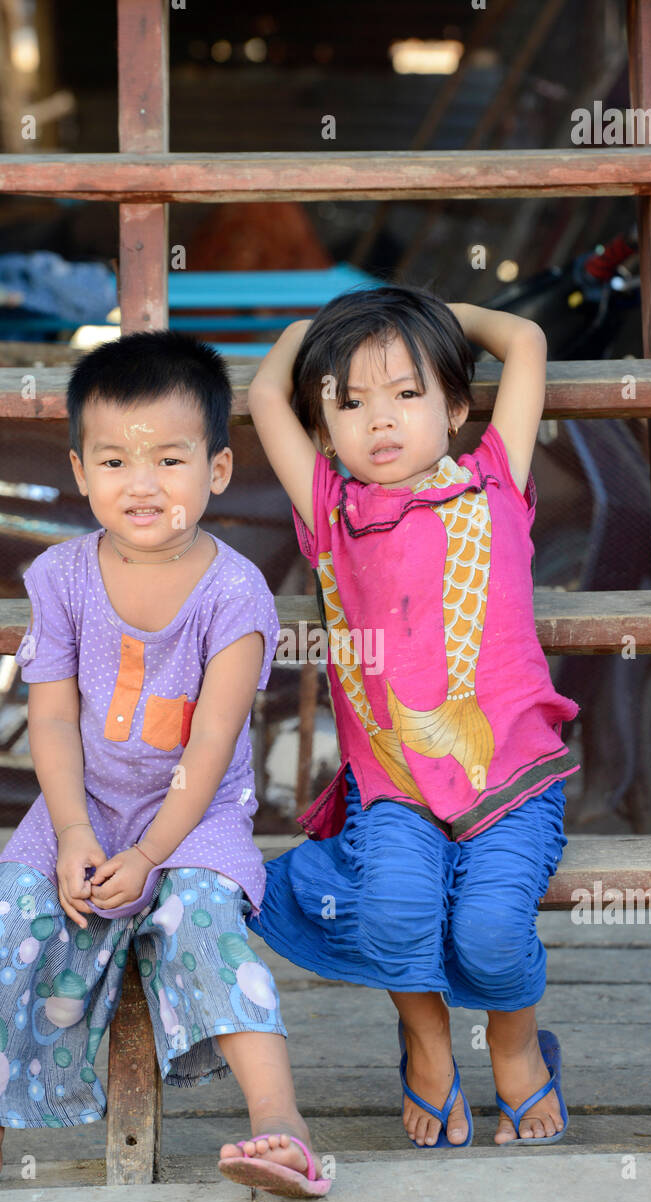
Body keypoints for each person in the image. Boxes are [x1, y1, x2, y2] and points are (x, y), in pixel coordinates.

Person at [0, 331, 329, 1199]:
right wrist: (71, 834)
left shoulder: (233, 590)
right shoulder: (59, 577)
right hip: (82, 801)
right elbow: (51, 716)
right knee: (8, 915)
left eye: (169, 459)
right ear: (80, 471)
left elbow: (210, 745)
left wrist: (150, 853)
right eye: (115, 460)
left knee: (203, 914)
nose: (142, 483)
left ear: (214, 471)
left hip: (195, 813)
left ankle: (280, 1125)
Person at [245, 286, 580, 1149]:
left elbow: (527, 339)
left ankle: (513, 1040)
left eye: (405, 393)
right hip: (392, 785)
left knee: (493, 929)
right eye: (350, 405)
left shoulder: (494, 477)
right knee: (395, 911)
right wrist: (308, 330)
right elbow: (261, 395)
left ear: (456, 407)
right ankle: (427, 1044)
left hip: (507, 777)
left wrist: (444, 313)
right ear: (323, 430)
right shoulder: (331, 511)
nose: (378, 422)